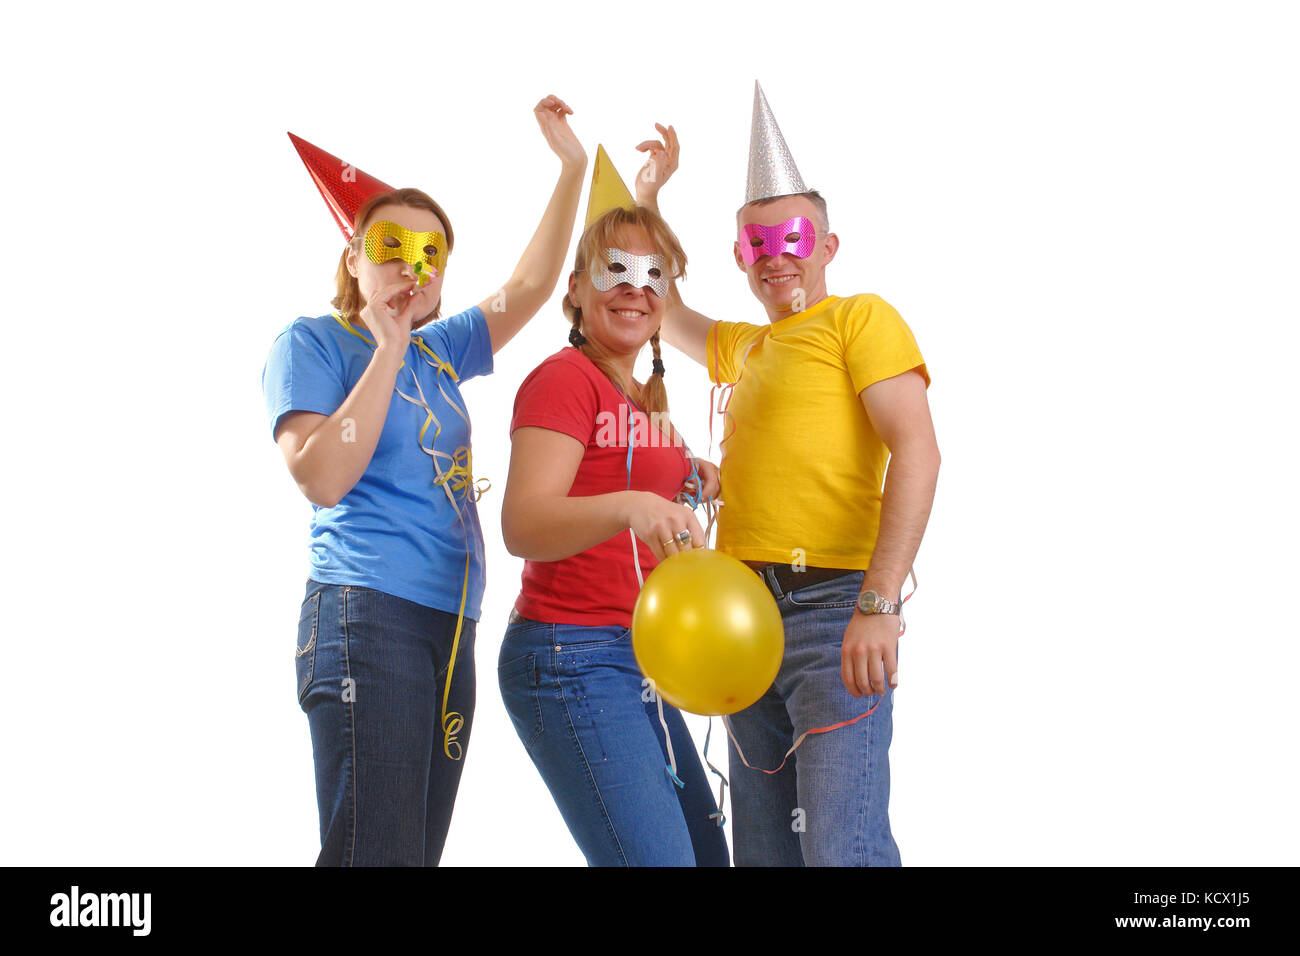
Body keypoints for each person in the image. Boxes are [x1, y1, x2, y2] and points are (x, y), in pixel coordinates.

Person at [262, 95, 587, 866]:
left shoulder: (443, 351)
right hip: (365, 615)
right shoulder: (313, 343)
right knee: (373, 853)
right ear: (351, 256)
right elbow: (322, 477)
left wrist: (571, 167)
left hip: (450, 626)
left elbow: (533, 287)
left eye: (431, 253)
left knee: (408, 855)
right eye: (390, 245)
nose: (413, 265)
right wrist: (385, 349)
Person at [640, 85, 941, 866]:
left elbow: (919, 450)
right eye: (753, 244)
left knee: (843, 850)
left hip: (835, 610)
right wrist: (649, 198)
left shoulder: (858, 321)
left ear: (829, 247)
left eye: (792, 237)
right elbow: (662, 306)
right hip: (744, 622)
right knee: (767, 856)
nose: (774, 255)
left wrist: (877, 602)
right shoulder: (744, 346)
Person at [496, 148, 730, 866]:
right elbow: (524, 524)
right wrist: (631, 503)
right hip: (570, 657)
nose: (636, 290)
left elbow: (629, 475)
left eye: (653, 275)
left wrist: (692, 473)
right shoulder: (564, 380)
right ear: (574, 290)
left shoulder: (640, 397)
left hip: (638, 657)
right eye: (614, 272)